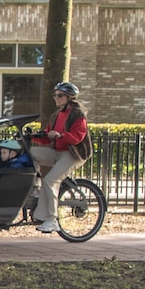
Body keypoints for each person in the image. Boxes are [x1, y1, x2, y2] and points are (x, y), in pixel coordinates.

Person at [29, 81, 92, 234]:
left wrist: (61, 135)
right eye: (55, 95)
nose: (56, 98)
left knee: (50, 180)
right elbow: (47, 136)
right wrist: (33, 136)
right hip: (57, 151)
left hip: (73, 154)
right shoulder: (56, 115)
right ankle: (35, 188)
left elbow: (77, 137)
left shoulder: (78, 115)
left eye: (60, 95)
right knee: (29, 153)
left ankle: (52, 220)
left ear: (69, 97)